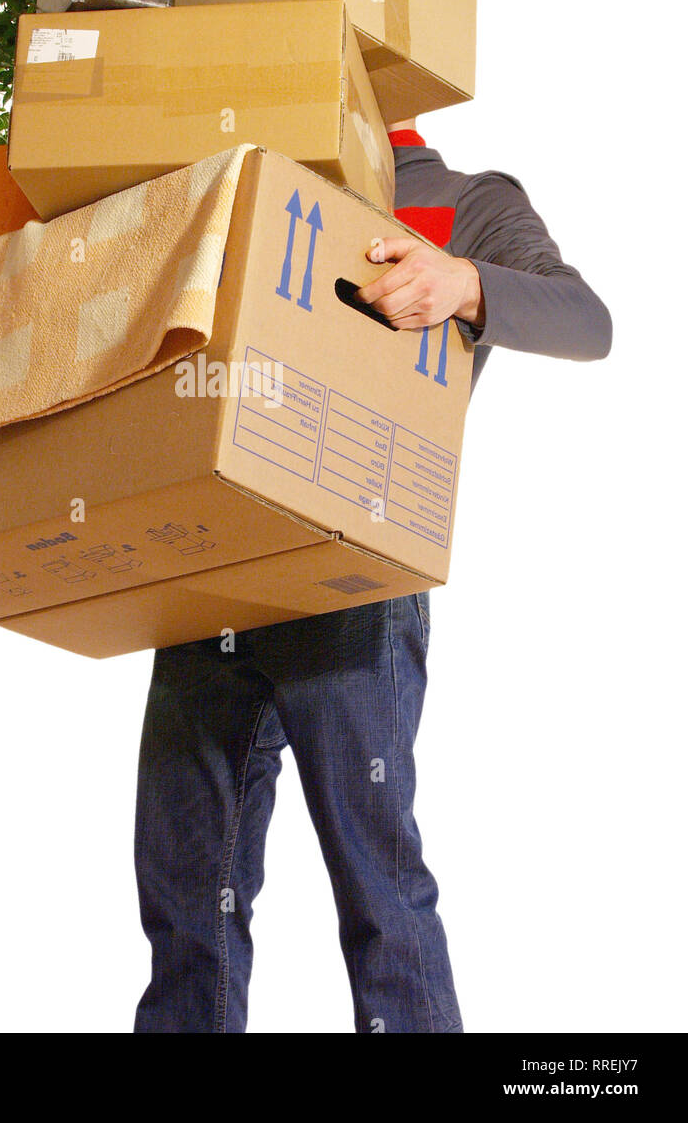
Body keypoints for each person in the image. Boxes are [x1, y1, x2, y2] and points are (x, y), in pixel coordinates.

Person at [132, 122, 613, 1034]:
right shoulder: (233, 182)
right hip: (209, 572)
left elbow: (588, 322)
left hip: (356, 580)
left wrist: (461, 282)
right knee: (185, 891)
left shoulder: (467, 200)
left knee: (375, 887)